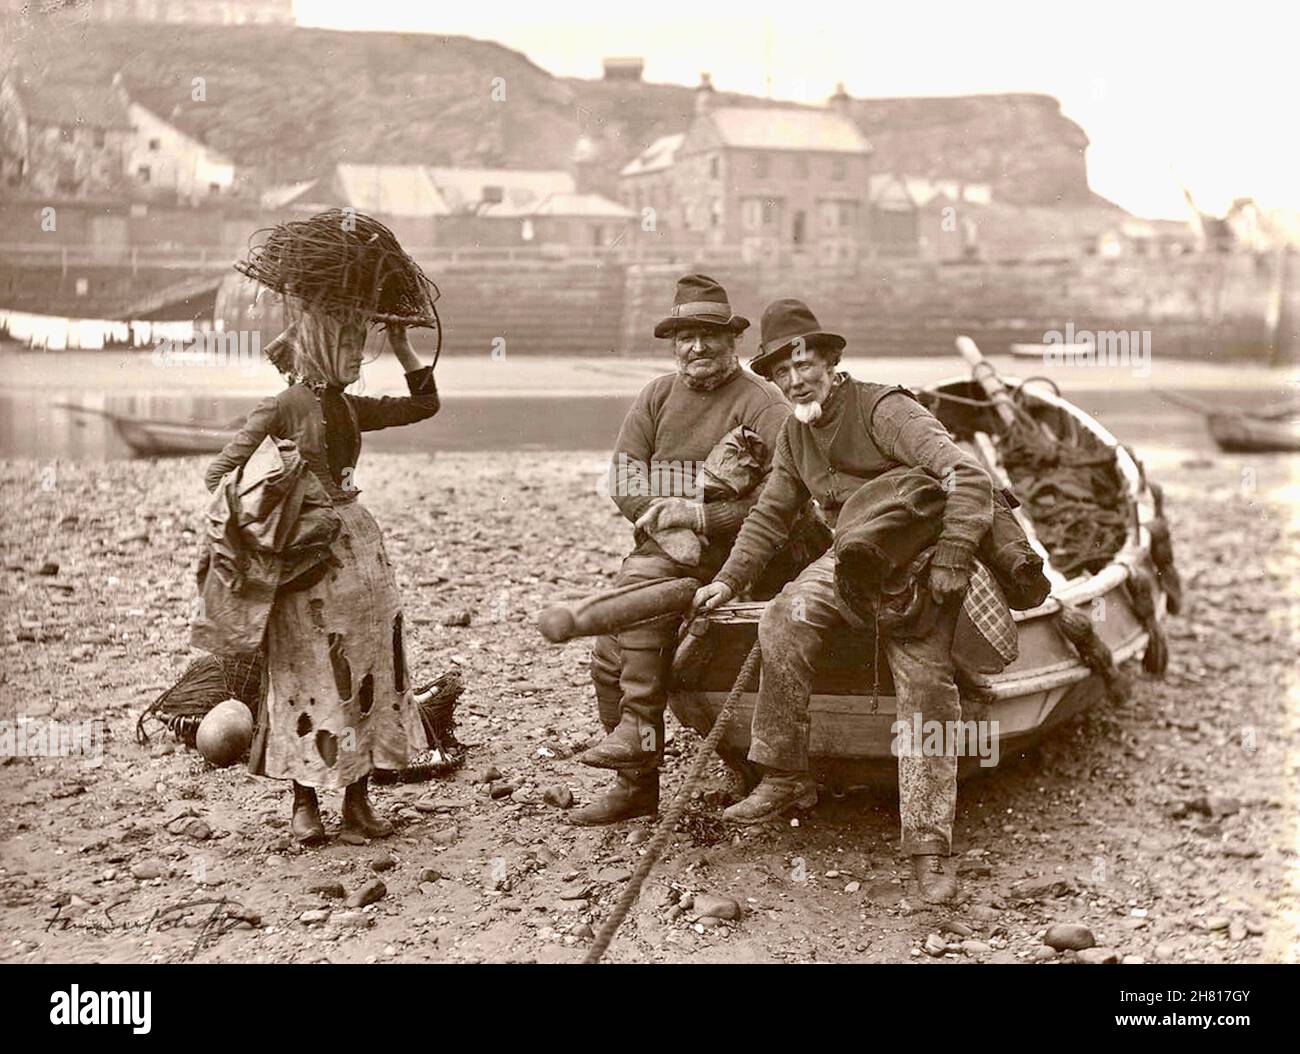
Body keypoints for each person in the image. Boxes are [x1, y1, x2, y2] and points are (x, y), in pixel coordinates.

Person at [691, 298, 995, 902]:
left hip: (920, 559)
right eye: (781, 372)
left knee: (925, 682)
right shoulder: (796, 435)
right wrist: (726, 580)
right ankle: (784, 771)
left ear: (831, 360)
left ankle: (930, 846)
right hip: (848, 561)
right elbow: (770, 515)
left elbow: (969, 476)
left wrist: (956, 555)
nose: (795, 378)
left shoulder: (885, 409)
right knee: (782, 616)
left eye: (804, 363)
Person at [204, 305, 440, 845]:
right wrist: (283, 492)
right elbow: (220, 474)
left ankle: (357, 802)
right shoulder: (283, 406)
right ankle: (304, 804)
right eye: (350, 344)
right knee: (306, 674)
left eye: (362, 343)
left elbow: (425, 404)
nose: (360, 355)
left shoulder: (349, 406)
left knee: (366, 671)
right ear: (320, 346)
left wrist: (403, 347)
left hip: (359, 552)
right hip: (305, 559)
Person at [569, 274, 789, 826]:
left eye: (710, 335)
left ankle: (754, 769)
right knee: (607, 659)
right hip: (665, 550)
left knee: (638, 600)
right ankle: (636, 785)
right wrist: (667, 526)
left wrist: (703, 518)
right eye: (685, 336)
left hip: (742, 556)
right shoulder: (657, 396)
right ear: (673, 343)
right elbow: (623, 477)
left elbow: (787, 498)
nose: (697, 347)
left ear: (733, 340)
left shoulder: (762, 401)